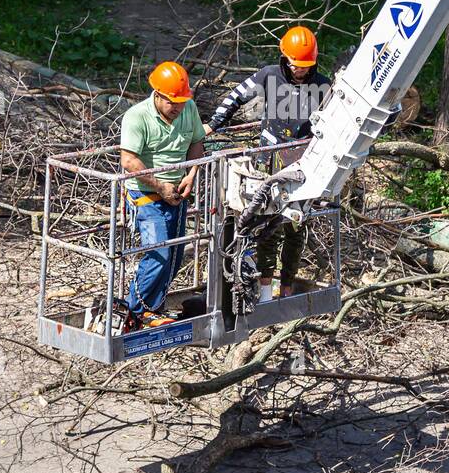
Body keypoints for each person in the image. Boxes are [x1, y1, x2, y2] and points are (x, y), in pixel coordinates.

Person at [205, 26, 330, 300]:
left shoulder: (323, 85)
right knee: (266, 224)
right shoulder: (269, 75)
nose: (301, 72)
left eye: (306, 67)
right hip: (268, 160)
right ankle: (264, 289)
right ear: (285, 58)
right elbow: (236, 96)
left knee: (296, 228)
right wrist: (213, 125)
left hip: (302, 164)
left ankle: (286, 288)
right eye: (296, 66)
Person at [119, 61, 205, 325]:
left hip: (176, 193)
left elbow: (196, 142)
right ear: (157, 95)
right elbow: (129, 161)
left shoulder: (188, 108)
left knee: (176, 255)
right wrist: (159, 186)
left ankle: (153, 305)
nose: (177, 108)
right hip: (146, 194)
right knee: (159, 253)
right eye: (172, 102)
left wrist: (191, 174)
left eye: (181, 101)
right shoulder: (137, 116)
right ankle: (137, 311)